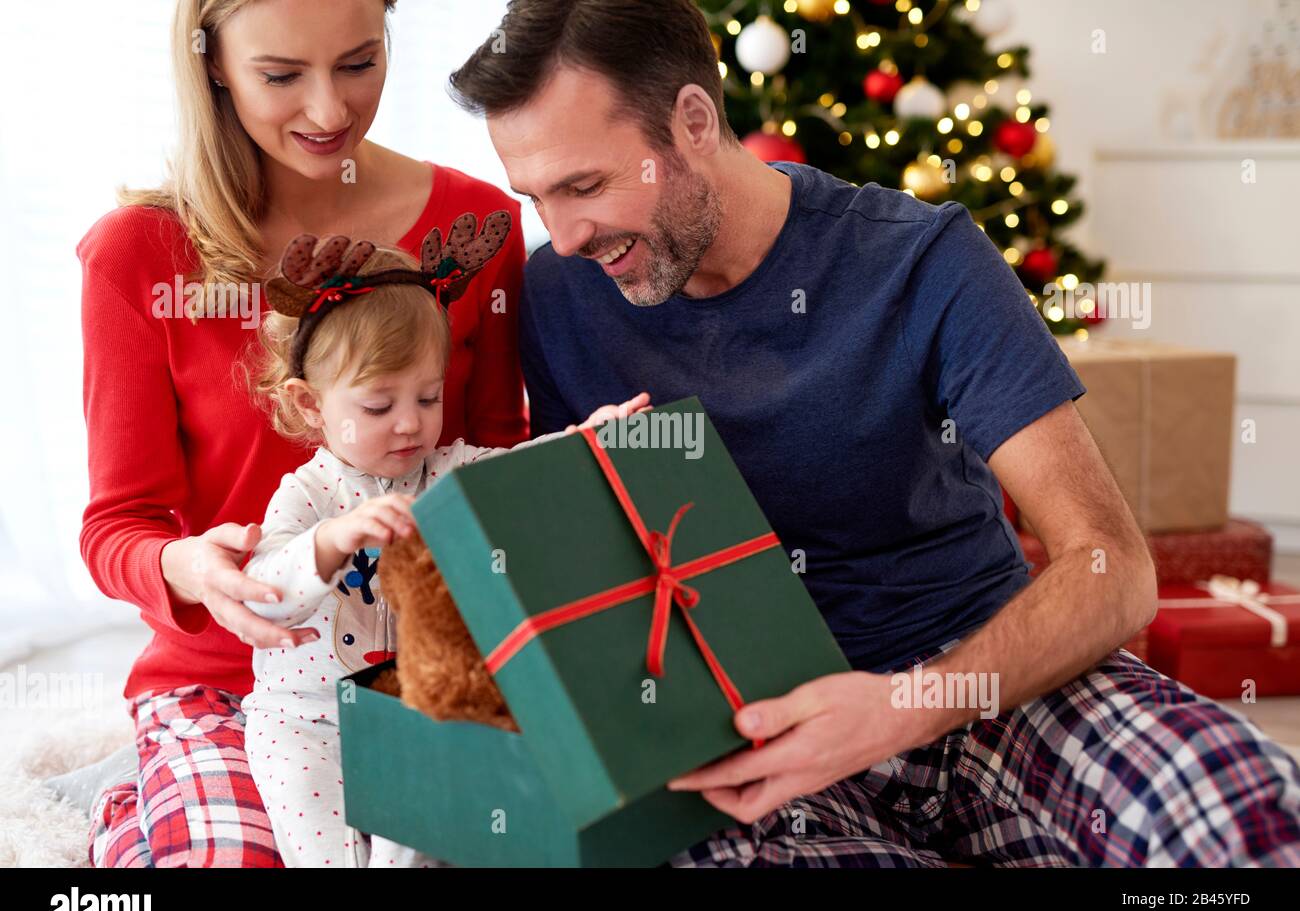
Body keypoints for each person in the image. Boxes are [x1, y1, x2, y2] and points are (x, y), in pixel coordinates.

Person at [448, 0, 1300, 865]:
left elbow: (1112, 569)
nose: (562, 234)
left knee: (1241, 809)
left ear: (694, 122)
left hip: (981, 676)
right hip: (752, 726)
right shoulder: (559, 293)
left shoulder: (920, 258)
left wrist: (900, 707)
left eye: (585, 186)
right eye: (537, 197)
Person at [78, 0, 530, 867]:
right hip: (226, 681)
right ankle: (141, 787)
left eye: (359, 63)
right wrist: (191, 566)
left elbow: (494, 472)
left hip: (426, 674)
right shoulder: (137, 255)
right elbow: (117, 527)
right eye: (282, 76)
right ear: (212, 62)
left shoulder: (475, 231)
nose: (330, 113)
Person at [238, 227, 647, 866]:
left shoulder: (447, 469)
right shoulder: (308, 495)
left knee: (439, 826)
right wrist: (330, 541)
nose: (410, 423)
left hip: (416, 709)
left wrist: (585, 444)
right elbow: (266, 597)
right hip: (307, 721)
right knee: (321, 844)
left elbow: (519, 475)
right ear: (310, 404)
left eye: (428, 397)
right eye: (378, 406)